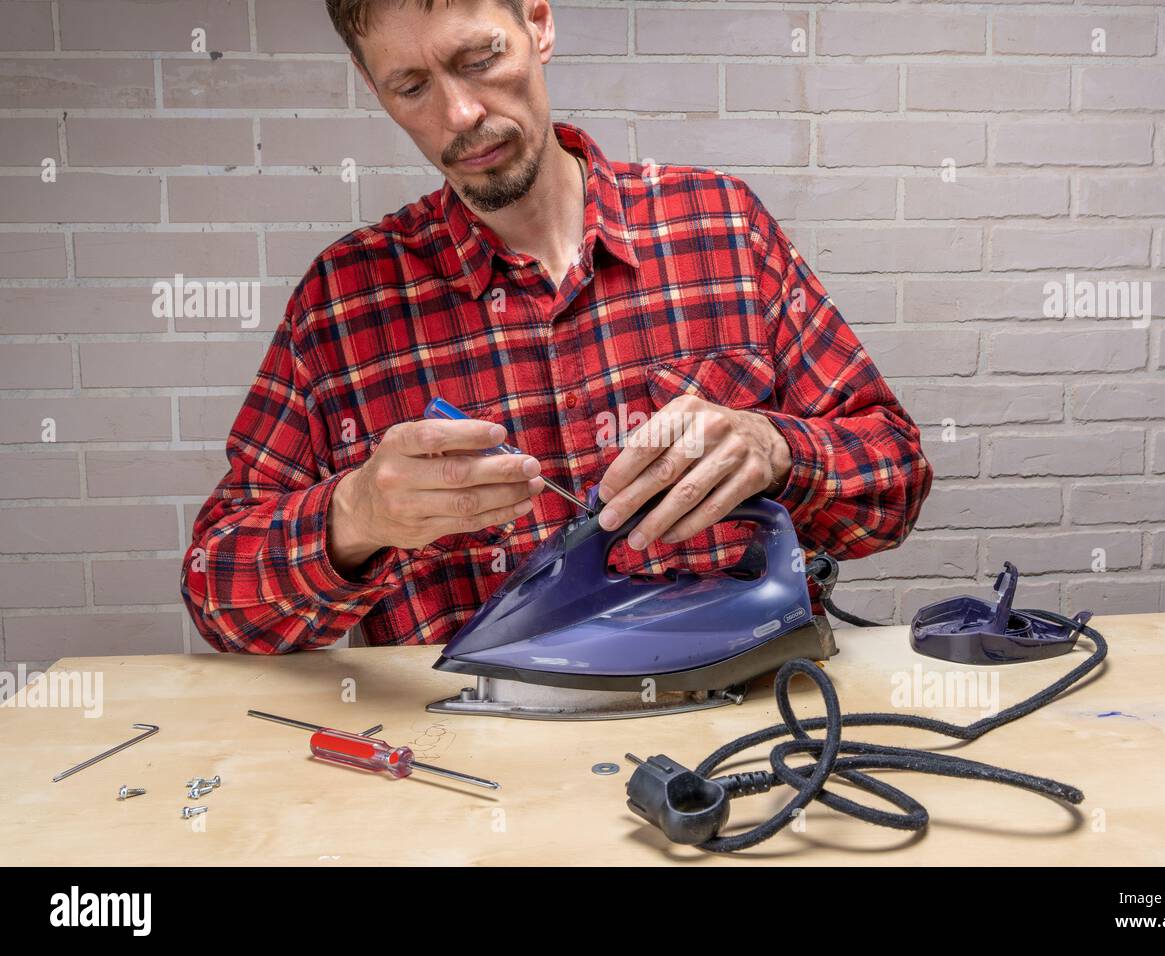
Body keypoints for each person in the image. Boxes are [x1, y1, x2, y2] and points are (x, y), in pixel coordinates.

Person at [180, 0, 932, 653]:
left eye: (479, 59)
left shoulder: (721, 225)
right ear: (377, 93)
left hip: (727, 743)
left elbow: (895, 483)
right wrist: (356, 515)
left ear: (537, 24)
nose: (460, 116)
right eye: (411, 87)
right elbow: (218, 597)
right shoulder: (343, 301)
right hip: (464, 768)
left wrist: (776, 449)